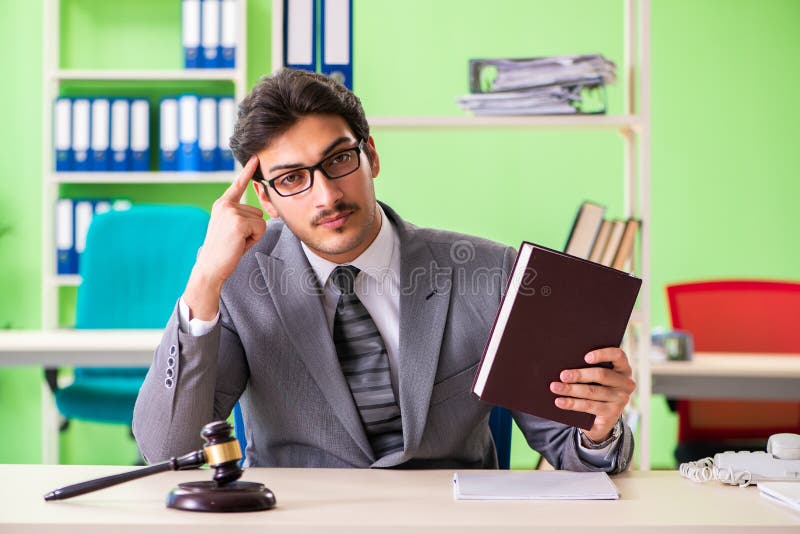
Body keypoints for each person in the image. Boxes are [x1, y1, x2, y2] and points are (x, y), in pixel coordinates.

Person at [132, 69, 636, 472]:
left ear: (370, 155)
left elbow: (572, 449)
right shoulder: (240, 284)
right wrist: (204, 281)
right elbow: (167, 448)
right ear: (263, 197)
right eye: (291, 179)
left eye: (339, 160)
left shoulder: (491, 272)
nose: (326, 195)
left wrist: (600, 426)